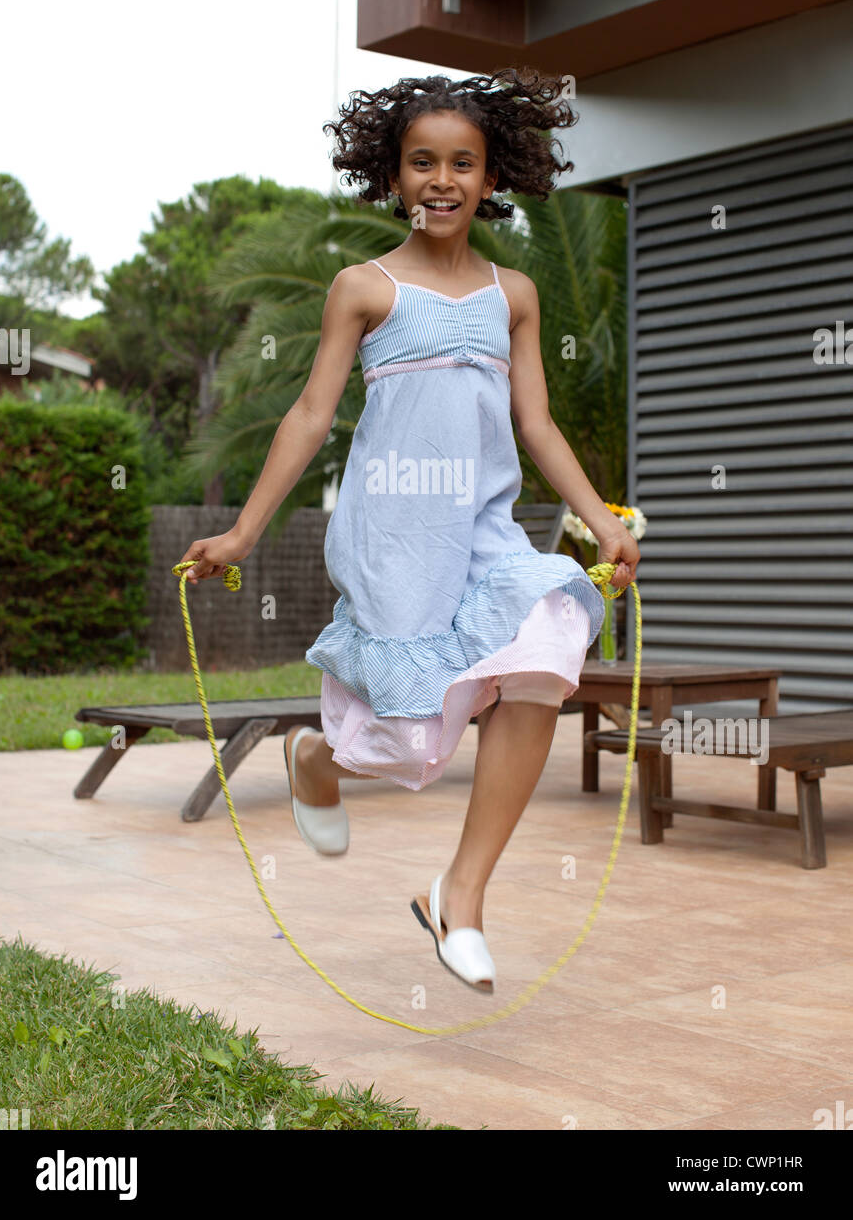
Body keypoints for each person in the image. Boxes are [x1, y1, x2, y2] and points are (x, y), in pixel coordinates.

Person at [179, 67, 640, 994]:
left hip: (483, 537)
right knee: (413, 750)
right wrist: (238, 535)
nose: (441, 180)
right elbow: (309, 417)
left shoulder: (512, 294)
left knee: (549, 639)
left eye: (460, 164)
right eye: (421, 162)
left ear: (489, 177)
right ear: (391, 177)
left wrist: (598, 524)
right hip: (392, 538)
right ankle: (318, 753)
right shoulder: (365, 288)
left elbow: (536, 423)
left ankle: (457, 899)